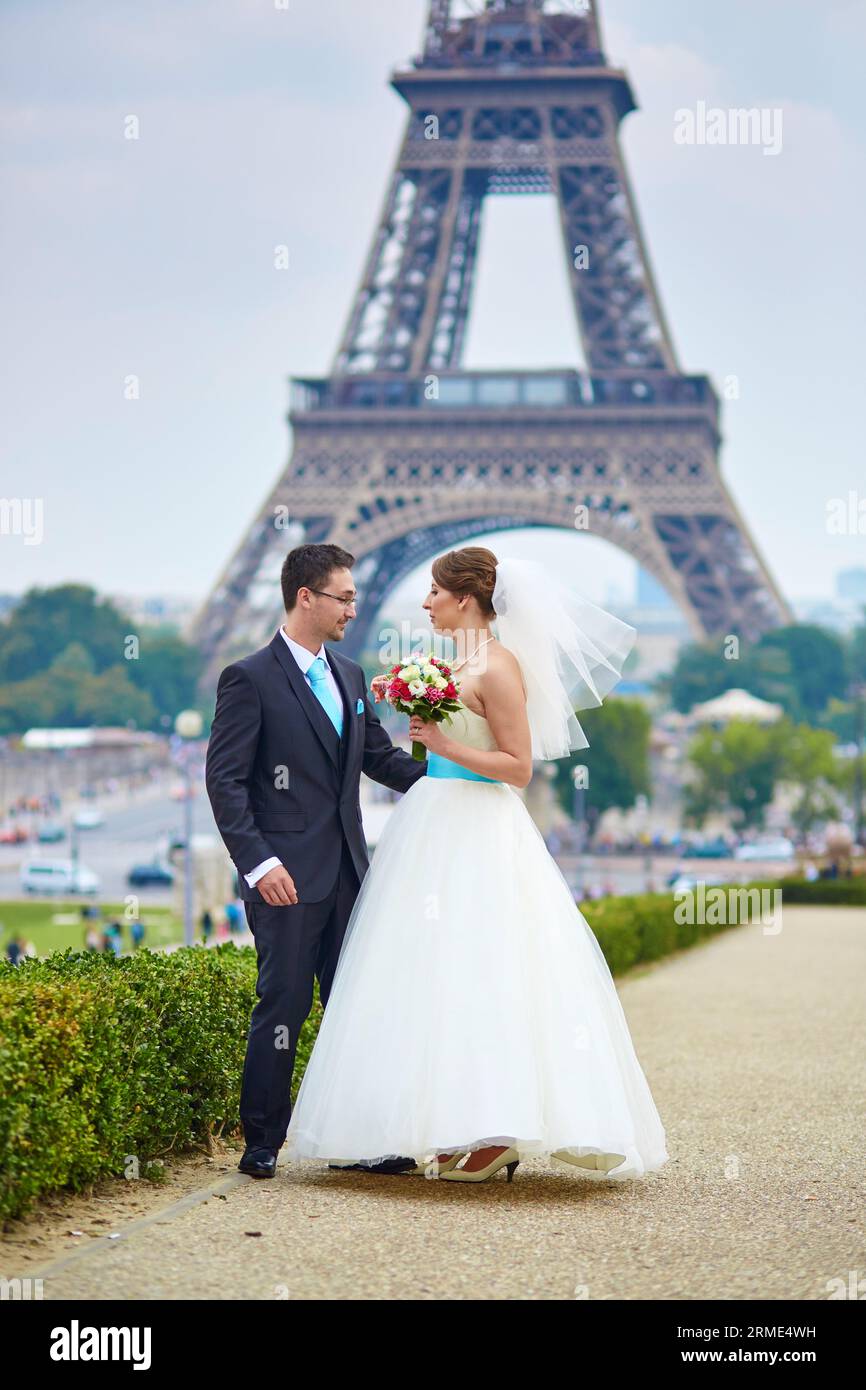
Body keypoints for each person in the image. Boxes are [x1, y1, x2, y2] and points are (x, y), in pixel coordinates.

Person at [283, 547, 669, 1184]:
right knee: (433, 971)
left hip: (474, 825)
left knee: (482, 969)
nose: (425, 602)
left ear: (465, 599)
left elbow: (519, 768)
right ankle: (451, 1124)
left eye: (434, 592)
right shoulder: (455, 663)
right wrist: (421, 732)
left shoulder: (497, 666)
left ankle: (495, 1131)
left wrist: (441, 742)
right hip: (436, 819)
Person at [205, 543, 427, 1179]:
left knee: (355, 1005)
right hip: (283, 879)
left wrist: (453, 778)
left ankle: (363, 1139)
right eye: (344, 597)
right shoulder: (247, 678)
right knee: (282, 1005)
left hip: (350, 875)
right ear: (306, 597)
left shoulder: (352, 677)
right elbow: (225, 783)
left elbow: (378, 760)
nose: (354, 609)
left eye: (355, 597)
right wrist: (258, 864)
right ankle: (263, 1143)